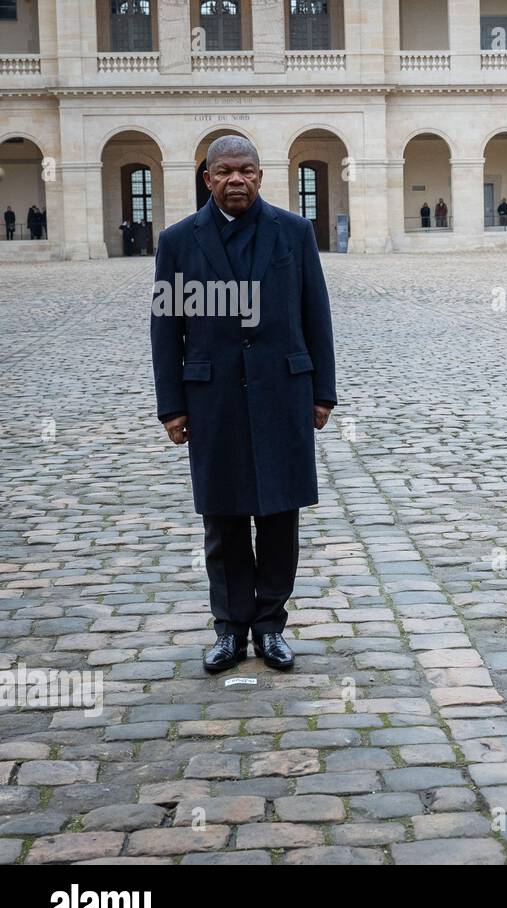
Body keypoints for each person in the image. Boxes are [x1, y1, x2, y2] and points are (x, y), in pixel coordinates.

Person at [150, 134, 337, 675]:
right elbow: (166, 329)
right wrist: (172, 406)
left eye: (247, 170)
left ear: (261, 176)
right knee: (224, 517)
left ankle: (272, 625)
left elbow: (315, 315)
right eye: (225, 170)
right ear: (207, 178)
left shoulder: (294, 233)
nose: (237, 179)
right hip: (213, 399)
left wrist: (322, 393)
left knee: (280, 514)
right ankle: (230, 629)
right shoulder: (179, 242)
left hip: (284, 390)